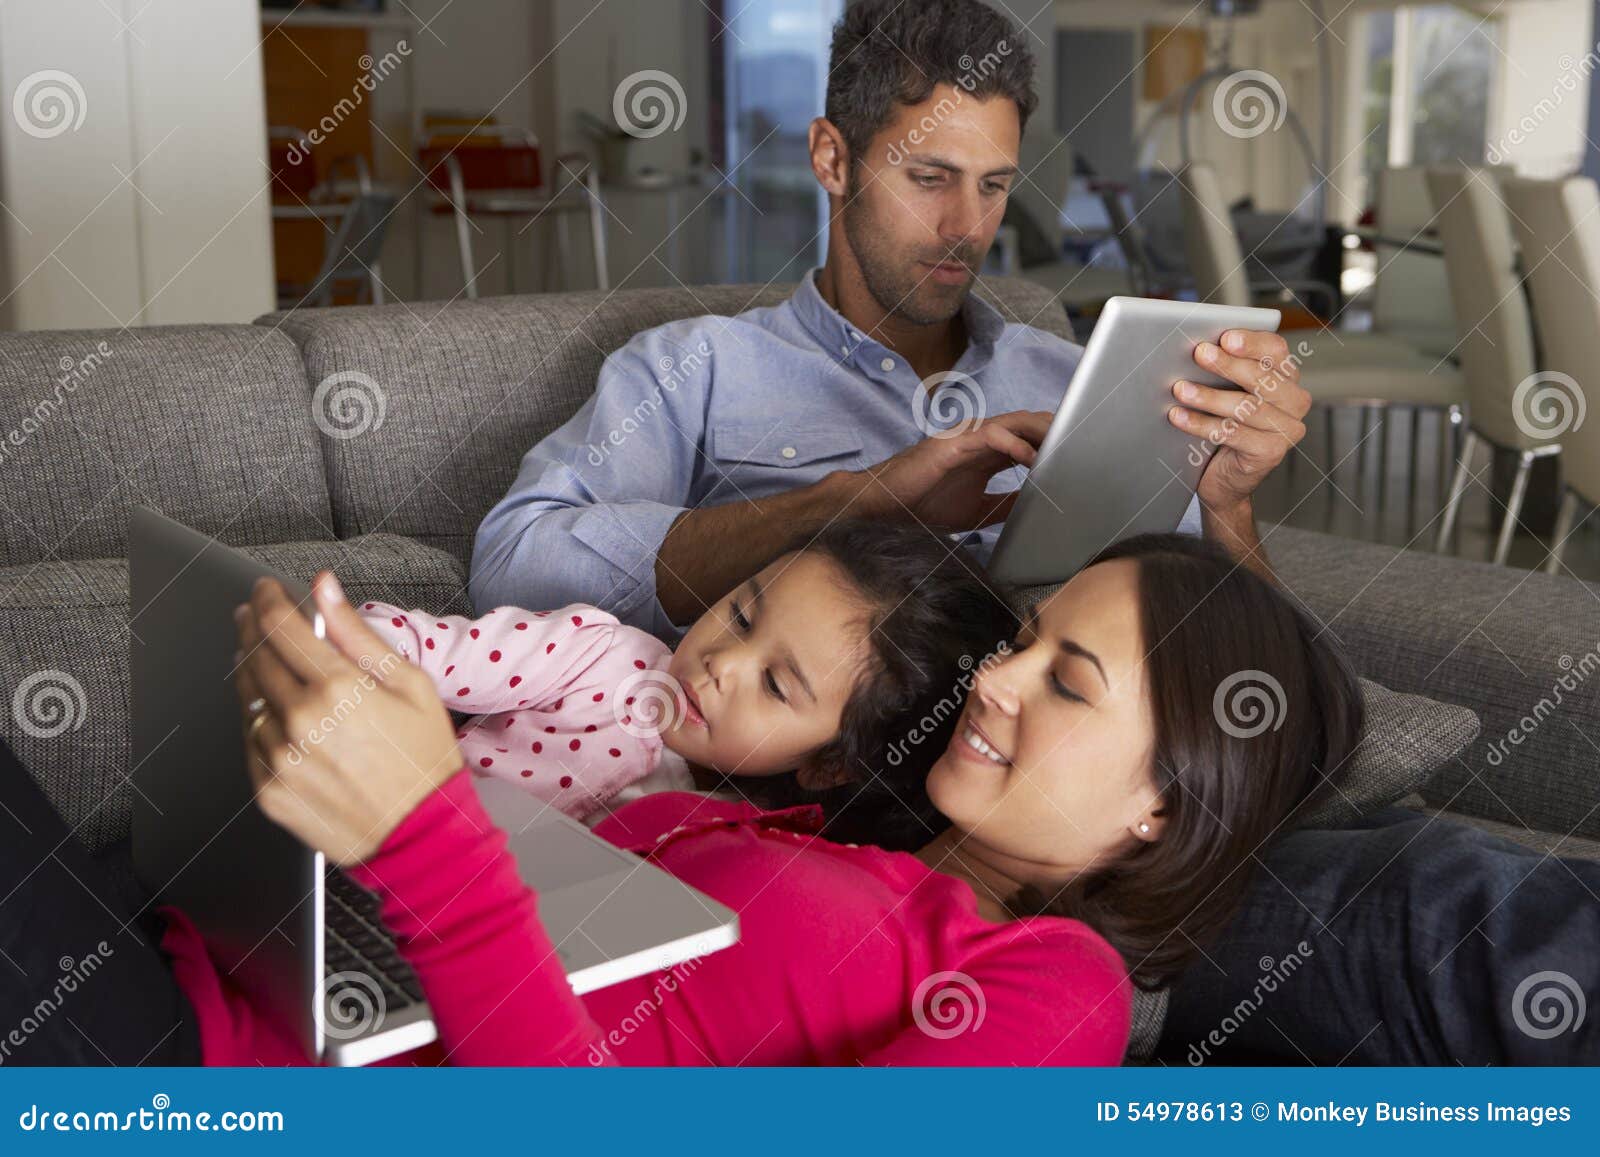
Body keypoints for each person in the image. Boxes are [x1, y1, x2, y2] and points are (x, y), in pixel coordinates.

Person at [0, 531, 1362, 1066]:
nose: (998, 683)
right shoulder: (792, 816)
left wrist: (428, 836)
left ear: (1163, 814)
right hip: (199, 959)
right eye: (1020, 641)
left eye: (1065, 681)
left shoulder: (1051, 987)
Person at [469, 0, 1310, 642]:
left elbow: (1257, 666)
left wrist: (1230, 508)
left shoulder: (1073, 382)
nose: (967, 227)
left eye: (993, 185)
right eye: (930, 177)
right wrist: (852, 503)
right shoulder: (696, 369)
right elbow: (510, 566)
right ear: (832, 159)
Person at [354, 521, 1015, 833]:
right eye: (741, 613)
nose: (722, 663)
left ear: (827, 767)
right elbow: (426, 649)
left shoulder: (752, 840)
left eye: (776, 685)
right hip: (371, 842)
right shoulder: (599, 655)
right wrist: (341, 640)